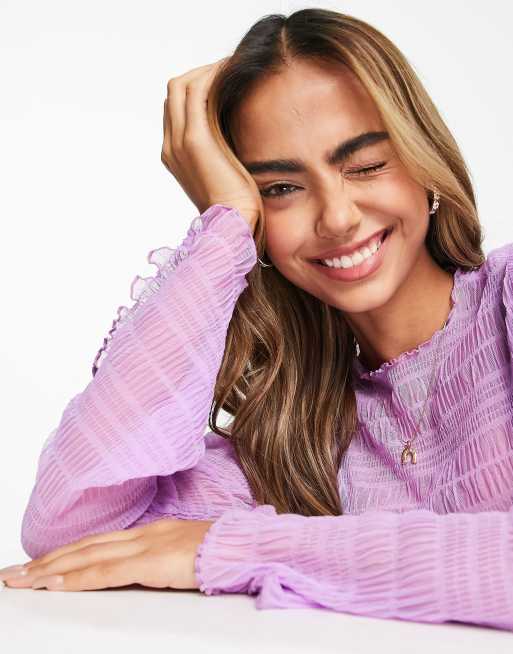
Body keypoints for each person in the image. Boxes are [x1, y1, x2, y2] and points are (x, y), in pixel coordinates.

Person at [4, 8, 513, 630]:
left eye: (365, 165)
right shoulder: (293, 435)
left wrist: (237, 546)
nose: (337, 218)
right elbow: (75, 533)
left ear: (423, 161)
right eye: (280, 189)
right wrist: (224, 226)